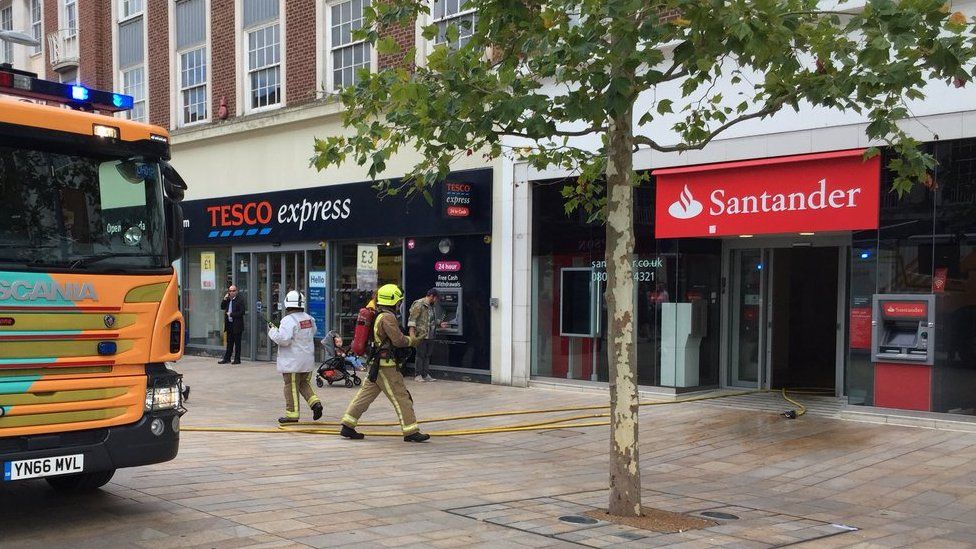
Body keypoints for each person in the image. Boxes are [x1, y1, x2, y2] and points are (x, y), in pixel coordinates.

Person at [340, 283, 430, 442]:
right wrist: (413, 341)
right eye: (399, 301)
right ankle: (411, 431)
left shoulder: (378, 314)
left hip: (377, 364)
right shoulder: (388, 317)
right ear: (392, 300)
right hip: (386, 366)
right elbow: (398, 340)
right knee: (401, 396)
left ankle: (348, 425)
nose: (400, 304)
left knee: (365, 396)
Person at [269, 290, 323, 424]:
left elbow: (284, 340)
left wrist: (273, 331)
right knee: (303, 383)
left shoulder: (288, 320)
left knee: (291, 386)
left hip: (292, 362)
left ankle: (292, 415)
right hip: (307, 360)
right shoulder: (309, 318)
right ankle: (315, 403)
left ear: (287, 304)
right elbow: (313, 332)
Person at [408, 288, 447, 382]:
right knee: (420, 355)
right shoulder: (419, 304)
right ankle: (418, 375)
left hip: (431, 334)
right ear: (432, 296)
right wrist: (412, 335)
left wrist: (439, 323)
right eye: (436, 298)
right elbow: (412, 320)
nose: (437, 301)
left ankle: (425, 374)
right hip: (421, 335)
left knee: (427, 355)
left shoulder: (432, 306)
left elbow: (431, 319)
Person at [219, 285, 246, 364]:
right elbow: (222, 307)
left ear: (236, 291)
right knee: (229, 343)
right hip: (229, 324)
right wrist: (224, 299)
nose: (231, 292)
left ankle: (237, 359)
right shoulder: (228, 300)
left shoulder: (240, 300)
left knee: (237, 343)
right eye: (230, 291)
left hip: (237, 325)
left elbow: (242, 312)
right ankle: (227, 358)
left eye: (233, 291)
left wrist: (231, 314)